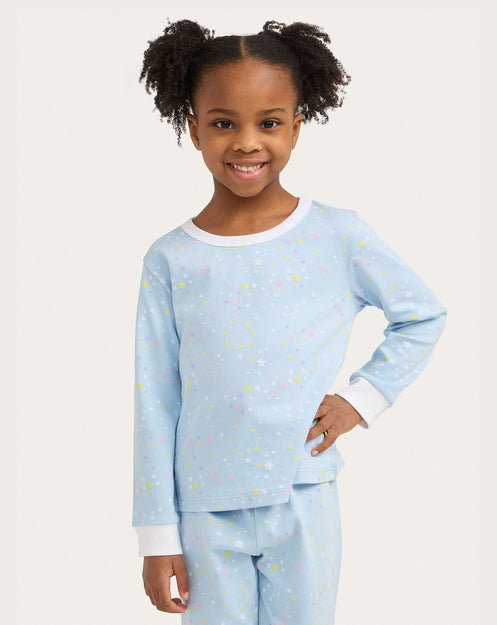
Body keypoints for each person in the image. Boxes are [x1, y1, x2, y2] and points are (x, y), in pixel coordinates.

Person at [132, 18, 447, 624]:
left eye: (269, 123)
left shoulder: (337, 234)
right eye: (224, 123)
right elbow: (155, 399)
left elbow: (422, 314)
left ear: (297, 126)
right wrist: (156, 534)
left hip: (304, 495)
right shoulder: (171, 259)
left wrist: (362, 399)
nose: (247, 143)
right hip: (204, 509)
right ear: (192, 128)